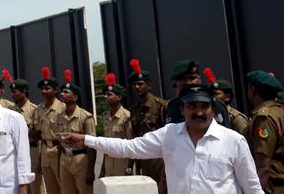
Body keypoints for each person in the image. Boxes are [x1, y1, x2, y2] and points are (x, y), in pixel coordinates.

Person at [59, 83, 262, 194]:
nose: (198, 112)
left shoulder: (233, 141)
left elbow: (252, 188)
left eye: (204, 106)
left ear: (212, 109)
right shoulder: (169, 135)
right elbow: (128, 147)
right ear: (182, 109)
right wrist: (86, 139)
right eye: (192, 106)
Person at [126, 59, 167, 192]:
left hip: (159, 159)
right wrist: (131, 164)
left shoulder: (161, 106)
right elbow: (134, 136)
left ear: (149, 85)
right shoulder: (134, 110)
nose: (136, 87)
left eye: (140, 84)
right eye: (134, 85)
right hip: (143, 159)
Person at [53, 74, 94, 194]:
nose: (62, 94)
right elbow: (60, 143)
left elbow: (91, 145)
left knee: (84, 191)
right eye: (62, 92)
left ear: (75, 97)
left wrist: (90, 170)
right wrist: (59, 164)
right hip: (65, 159)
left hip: (80, 160)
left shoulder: (85, 117)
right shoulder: (60, 117)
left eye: (66, 92)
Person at [246, 71, 284, 193]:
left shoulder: (264, 118)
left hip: (274, 188)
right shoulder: (280, 112)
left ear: (253, 90)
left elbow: (263, 166)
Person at [165, 61, 228, 127]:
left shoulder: (215, 104)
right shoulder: (171, 106)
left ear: (199, 79)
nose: (188, 82)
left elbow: (225, 133)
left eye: (192, 78)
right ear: (176, 83)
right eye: (182, 79)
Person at [31, 68, 63, 194]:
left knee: (64, 186)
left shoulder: (62, 108)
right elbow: (39, 134)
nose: (44, 91)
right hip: (44, 151)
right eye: (42, 89)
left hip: (58, 150)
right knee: (50, 188)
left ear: (55, 90)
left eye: (47, 88)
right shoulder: (38, 109)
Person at [8, 80, 38, 194]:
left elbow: (39, 135)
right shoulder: (11, 111)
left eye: (15, 92)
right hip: (15, 151)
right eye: (11, 92)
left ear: (24, 92)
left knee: (35, 186)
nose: (12, 94)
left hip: (32, 150)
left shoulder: (34, 110)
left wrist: (23, 127)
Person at [98, 76, 131, 178]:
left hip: (122, 163)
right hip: (108, 163)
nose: (105, 97)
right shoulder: (106, 116)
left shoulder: (127, 116)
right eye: (105, 94)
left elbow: (132, 143)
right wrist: (102, 168)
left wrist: (129, 167)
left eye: (109, 94)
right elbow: (105, 144)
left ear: (119, 97)